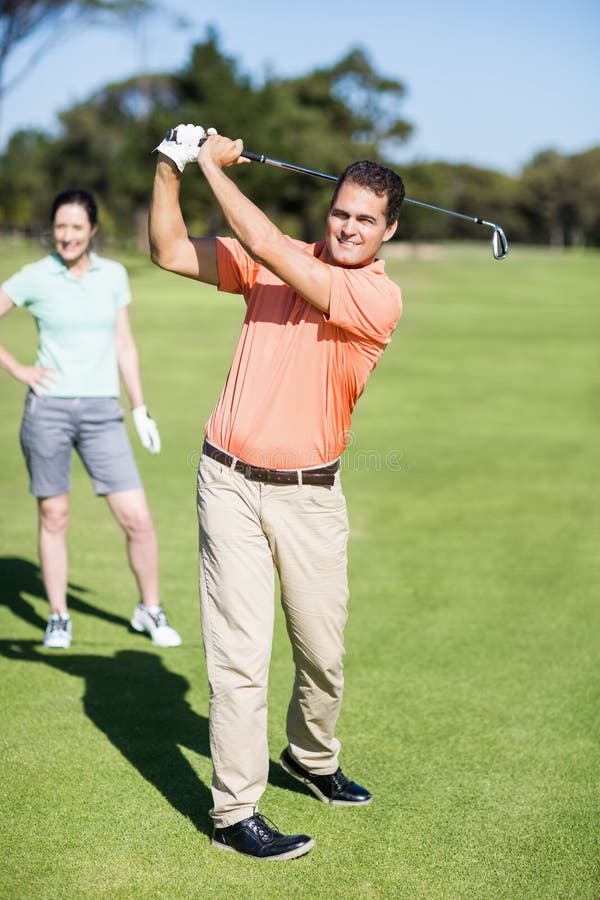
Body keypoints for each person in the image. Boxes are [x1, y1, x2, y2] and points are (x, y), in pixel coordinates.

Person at [149, 124, 405, 861]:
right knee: (239, 658)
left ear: (388, 230)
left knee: (321, 652)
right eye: (341, 212)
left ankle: (311, 759)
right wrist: (170, 168)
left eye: (365, 219)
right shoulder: (285, 260)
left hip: (309, 498)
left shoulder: (374, 298)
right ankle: (235, 811)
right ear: (328, 212)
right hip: (227, 482)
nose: (349, 227)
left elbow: (264, 245)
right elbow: (167, 250)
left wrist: (209, 166)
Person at [0, 188, 182, 651]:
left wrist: (139, 408)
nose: (67, 236)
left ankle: (150, 609)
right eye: (60, 227)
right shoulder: (36, 276)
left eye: (76, 227)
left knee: (137, 518)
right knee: (54, 515)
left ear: (92, 230)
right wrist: (19, 369)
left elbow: (124, 345)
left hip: (103, 413)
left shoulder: (114, 275)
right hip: (49, 411)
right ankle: (59, 616)